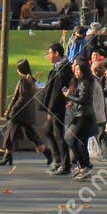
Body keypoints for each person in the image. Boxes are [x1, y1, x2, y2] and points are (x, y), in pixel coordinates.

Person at [41, 42, 74, 174]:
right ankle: (58, 159)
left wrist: (52, 108)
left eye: (49, 53)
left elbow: (60, 90)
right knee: (48, 131)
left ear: (56, 53)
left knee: (59, 135)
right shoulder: (58, 68)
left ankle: (64, 164)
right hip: (54, 106)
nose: (48, 56)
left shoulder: (65, 68)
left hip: (58, 107)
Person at [63, 57, 97, 179]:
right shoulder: (83, 82)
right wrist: (73, 102)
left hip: (82, 116)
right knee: (80, 142)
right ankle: (85, 166)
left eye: (78, 70)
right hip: (83, 115)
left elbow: (83, 100)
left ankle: (84, 166)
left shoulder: (85, 83)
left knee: (69, 138)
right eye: (75, 70)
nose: (76, 72)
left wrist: (69, 97)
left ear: (83, 71)